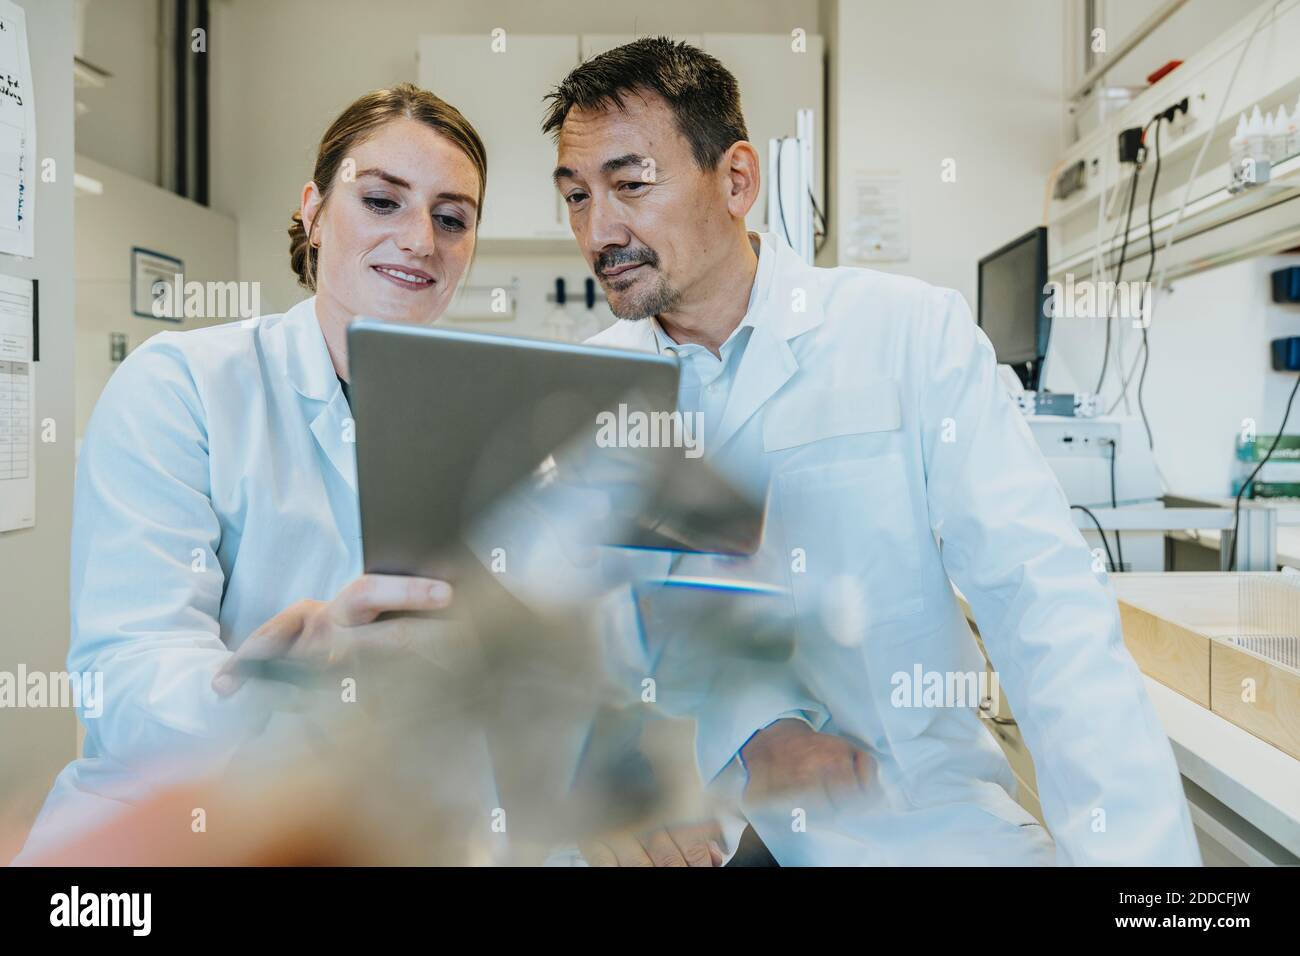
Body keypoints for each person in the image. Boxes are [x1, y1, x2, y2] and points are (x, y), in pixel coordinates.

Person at [545, 37, 1201, 865]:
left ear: (736, 180)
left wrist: (1139, 870)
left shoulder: (905, 335)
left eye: (630, 184)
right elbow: (570, 638)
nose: (599, 229)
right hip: (692, 823)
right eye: (574, 197)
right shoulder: (588, 388)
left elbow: (1042, 602)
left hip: (907, 820)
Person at [17, 83, 485, 858]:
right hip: (182, 837)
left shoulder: (479, 421)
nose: (418, 240)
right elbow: (126, 682)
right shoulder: (184, 384)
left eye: (450, 217)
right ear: (312, 210)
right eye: (380, 201)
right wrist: (268, 680)